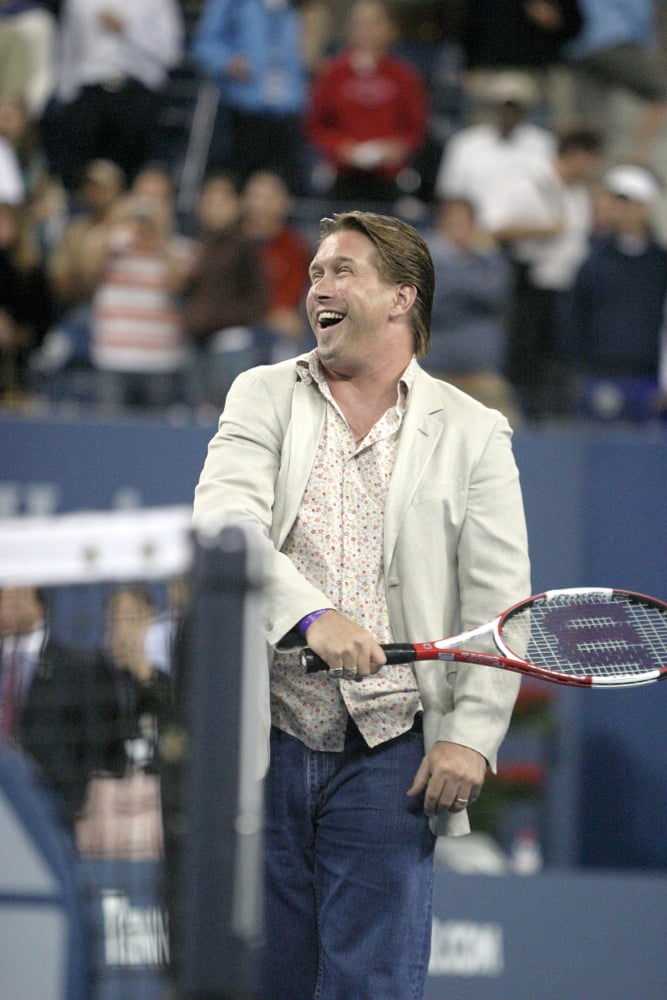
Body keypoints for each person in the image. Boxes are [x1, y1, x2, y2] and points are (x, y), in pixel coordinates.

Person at [192, 209, 531, 999]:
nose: (319, 286)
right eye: (315, 272)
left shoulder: (474, 432)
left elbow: (498, 605)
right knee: (261, 983)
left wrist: (471, 737)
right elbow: (223, 523)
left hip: (392, 754)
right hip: (264, 739)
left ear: (401, 297)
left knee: (369, 986)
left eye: (342, 270)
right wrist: (312, 615)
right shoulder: (261, 394)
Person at [485, 125, 604, 419]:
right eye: (592, 159)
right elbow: (494, 228)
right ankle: (527, 416)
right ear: (576, 155)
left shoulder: (578, 193)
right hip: (533, 286)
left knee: (559, 359)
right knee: (528, 358)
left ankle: (553, 414)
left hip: (567, 285)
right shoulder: (530, 185)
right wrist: (542, 229)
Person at [0, 584, 126, 831]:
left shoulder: (78, 666)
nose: (7, 608)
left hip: (54, 811)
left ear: (40, 606)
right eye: (3, 600)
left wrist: (76, 802)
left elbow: (100, 742)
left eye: (17, 599)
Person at [566, 163, 667, 420]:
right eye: (618, 202)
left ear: (646, 207)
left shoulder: (660, 263)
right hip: (599, 377)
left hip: (649, 380)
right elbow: (574, 319)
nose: (623, 211)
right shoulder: (593, 261)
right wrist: (578, 372)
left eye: (631, 203)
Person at [50, 0, 184, 190]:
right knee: (80, 176)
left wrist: (128, 30)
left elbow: (171, 54)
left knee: (129, 175)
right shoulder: (77, 3)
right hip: (88, 95)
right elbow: (67, 49)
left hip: (137, 94)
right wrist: (66, 96)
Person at [306, 0, 429, 204]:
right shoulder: (332, 73)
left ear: (388, 29)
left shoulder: (404, 76)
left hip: (389, 179)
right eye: (359, 24)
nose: (366, 31)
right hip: (342, 177)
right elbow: (316, 126)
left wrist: (396, 148)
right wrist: (340, 147)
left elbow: (416, 129)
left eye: (373, 23)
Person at [190, 0, 309, 194]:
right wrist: (227, 62)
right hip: (243, 106)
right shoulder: (232, 4)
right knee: (240, 181)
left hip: (286, 111)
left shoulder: (293, 9)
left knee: (287, 183)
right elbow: (205, 45)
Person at [423, 197, 521, 426]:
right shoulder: (423, 258)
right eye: (453, 223)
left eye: (464, 223)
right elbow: (428, 303)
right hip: (433, 373)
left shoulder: (489, 259)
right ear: (441, 225)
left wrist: (452, 283)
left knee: (507, 431)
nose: (459, 230)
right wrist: (472, 290)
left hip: (482, 374)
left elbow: (497, 294)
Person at [181, 170, 268, 413]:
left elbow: (259, 299)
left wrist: (216, 320)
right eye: (208, 201)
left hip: (231, 344)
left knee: (232, 417)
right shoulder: (198, 246)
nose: (213, 208)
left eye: (221, 201)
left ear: (236, 205)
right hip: (198, 344)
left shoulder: (245, 244)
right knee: (199, 416)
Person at [434, 71, 556, 230]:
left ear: (524, 109)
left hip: (531, 234)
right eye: (503, 107)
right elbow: (449, 196)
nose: (508, 113)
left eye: (514, 107)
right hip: (476, 234)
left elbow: (554, 196)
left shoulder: (544, 144)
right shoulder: (465, 143)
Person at [241, 168, 313, 363]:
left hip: (280, 329)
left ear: (284, 203)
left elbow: (295, 294)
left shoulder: (295, 247)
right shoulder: (232, 243)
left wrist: (285, 315)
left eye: (268, 198)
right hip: (238, 323)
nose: (260, 205)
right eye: (255, 197)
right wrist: (267, 315)